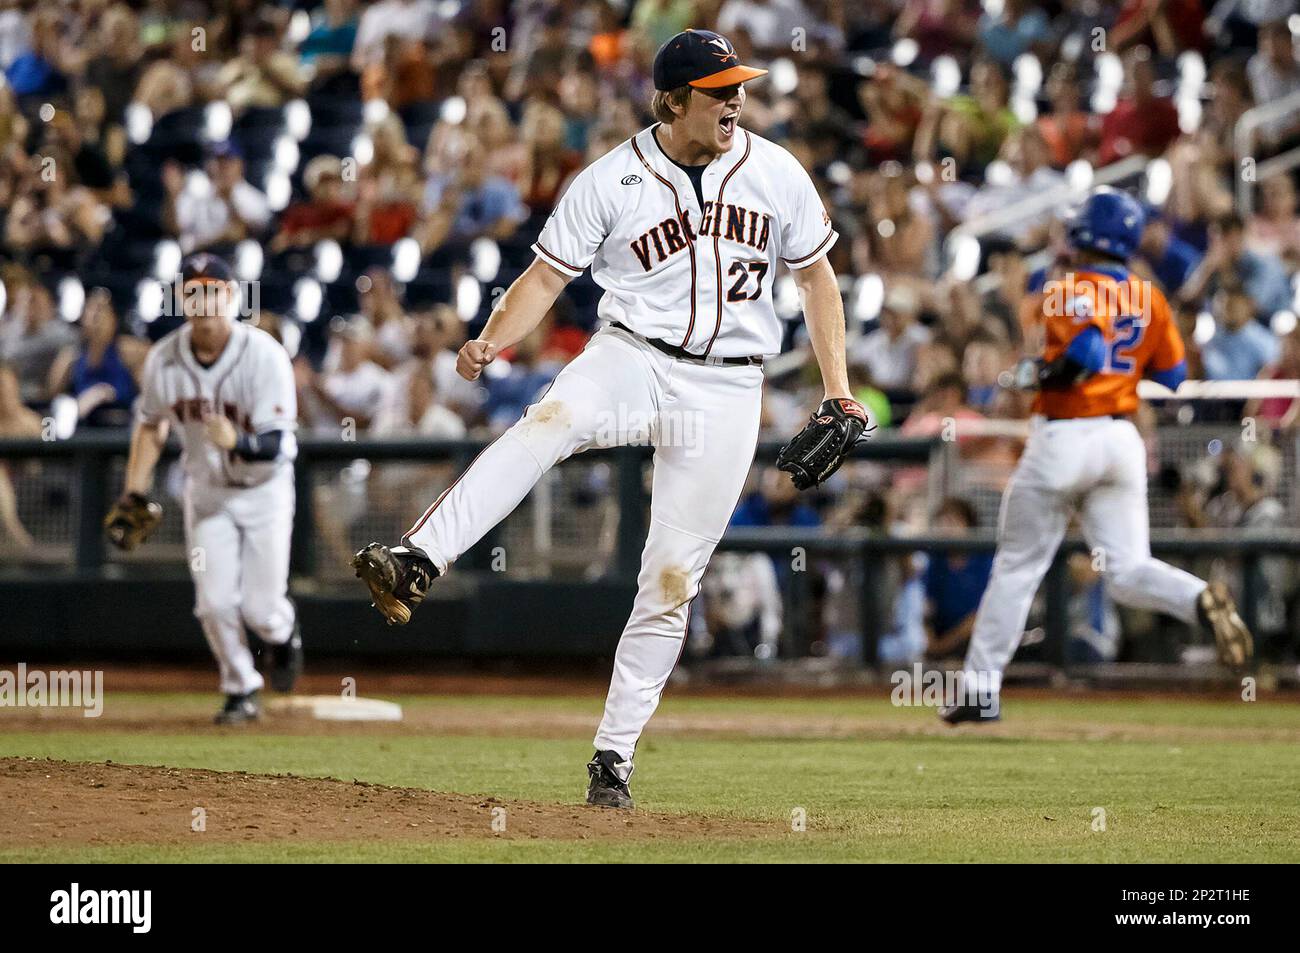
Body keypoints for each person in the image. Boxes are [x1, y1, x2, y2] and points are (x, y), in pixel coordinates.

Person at [351, 30, 863, 808]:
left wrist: (839, 388)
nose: (735, 98)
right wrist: (493, 337)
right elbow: (545, 277)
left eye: (739, 86)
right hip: (633, 355)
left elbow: (818, 281)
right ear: (672, 99)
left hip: (728, 387)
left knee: (669, 577)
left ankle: (612, 758)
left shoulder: (777, 171)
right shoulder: (612, 179)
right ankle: (420, 557)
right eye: (718, 87)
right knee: (549, 419)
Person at [940, 189, 1253, 724]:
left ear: (1088, 234)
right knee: (1127, 570)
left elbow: (1084, 353)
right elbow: (1174, 377)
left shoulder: (1066, 289)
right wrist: (1117, 367)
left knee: (1018, 567)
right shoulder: (1149, 295)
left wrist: (1036, 372)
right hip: (1119, 441)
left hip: (1066, 436)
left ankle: (979, 690)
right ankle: (1198, 597)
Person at [112, 254, 302, 724]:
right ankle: (240, 688)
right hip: (208, 491)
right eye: (193, 291)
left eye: (214, 290)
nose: (204, 300)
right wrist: (135, 489)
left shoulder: (264, 355)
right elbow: (151, 426)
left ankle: (282, 634)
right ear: (182, 300)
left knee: (261, 609)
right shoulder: (163, 358)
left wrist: (239, 440)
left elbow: (278, 444)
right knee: (213, 602)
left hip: (264, 490)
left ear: (232, 297)